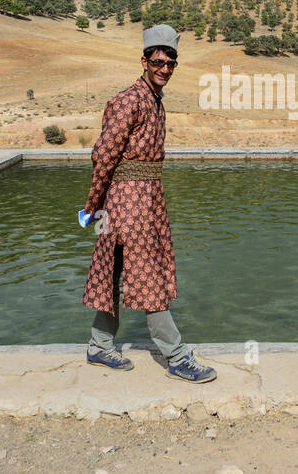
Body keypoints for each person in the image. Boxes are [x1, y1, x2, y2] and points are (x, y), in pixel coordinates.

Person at [79, 23, 216, 383]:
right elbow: (103, 155)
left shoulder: (154, 100)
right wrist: (93, 205)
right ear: (144, 61)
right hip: (128, 203)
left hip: (147, 198)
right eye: (158, 62)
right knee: (149, 273)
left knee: (116, 270)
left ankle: (99, 345)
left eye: (171, 64)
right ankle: (176, 355)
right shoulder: (129, 100)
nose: (165, 69)